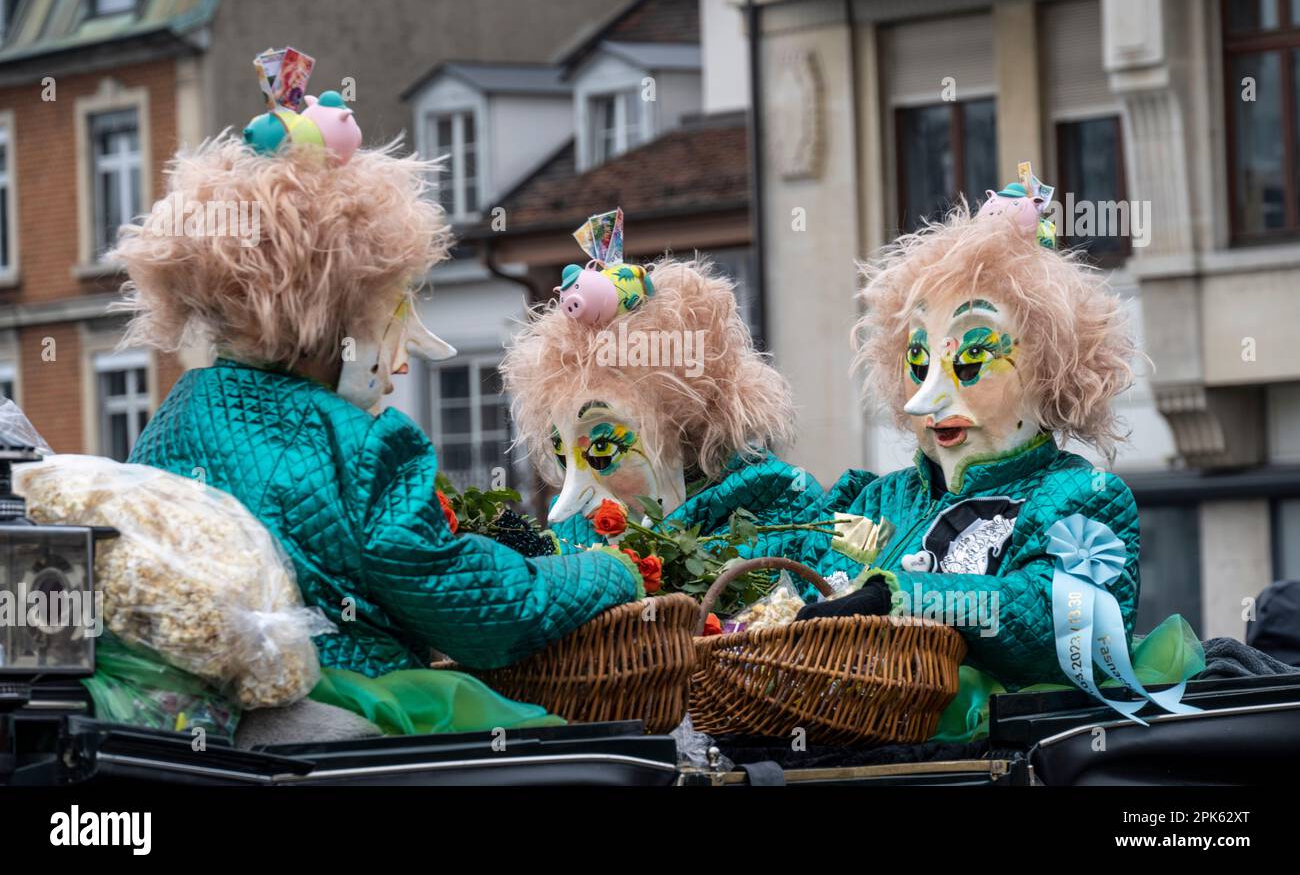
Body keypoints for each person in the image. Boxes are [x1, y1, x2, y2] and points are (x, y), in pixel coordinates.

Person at [109, 69, 644, 734]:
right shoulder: (363, 444)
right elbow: (474, 606)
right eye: (386, 317)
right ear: (338, 311)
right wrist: (603, 574)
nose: (392, 354)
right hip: (345, 712)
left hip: (203, 720)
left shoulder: (172, 419)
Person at [797, 188, 1146, 693]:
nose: (924, 399)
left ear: (1051, 371)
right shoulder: (873, 502)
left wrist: (902, 596)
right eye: (919, 363)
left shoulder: (1083, 498)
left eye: (970, 361)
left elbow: (1067, 626)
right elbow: (789, 576)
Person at [502, 237, 826, 580]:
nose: (565, 502)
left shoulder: (785, 515)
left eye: (602, 445)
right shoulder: (569, 538)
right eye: (564, 455)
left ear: (684, 431)